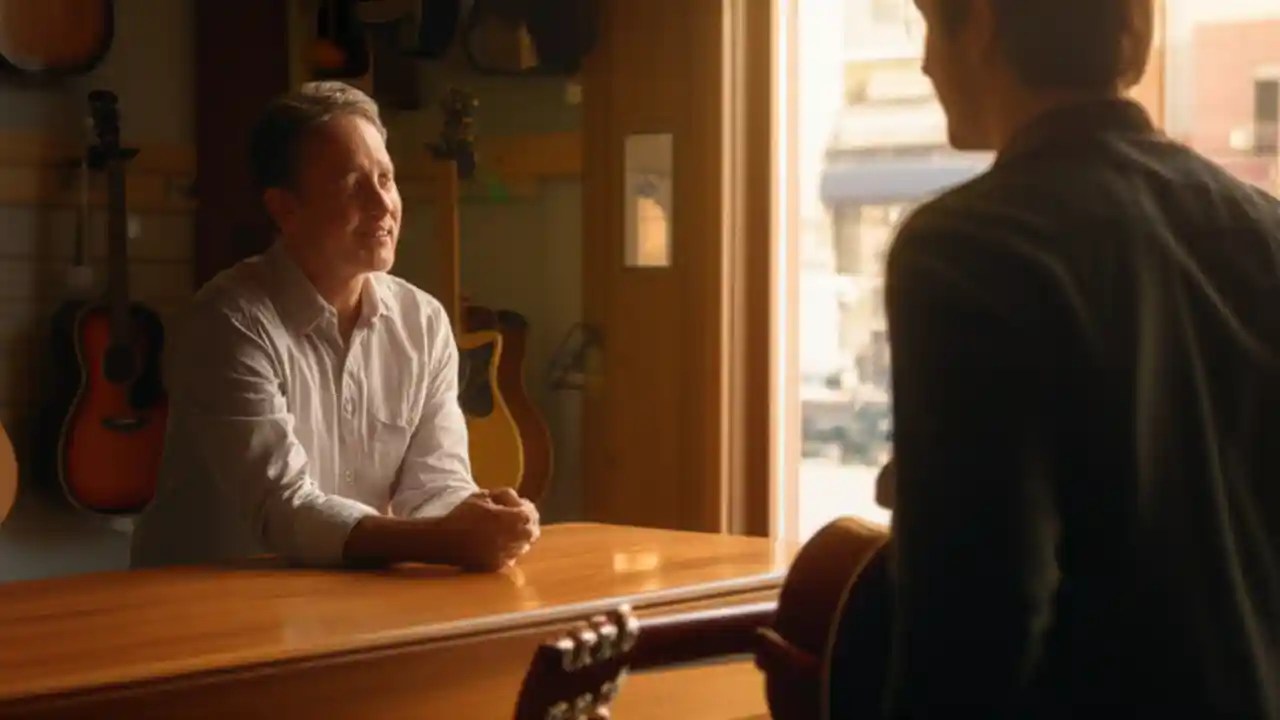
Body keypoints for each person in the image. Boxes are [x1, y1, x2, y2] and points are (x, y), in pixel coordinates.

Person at [872, 0, 1280, 716]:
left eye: (930, 24)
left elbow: (978, 622)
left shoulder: (970, 247)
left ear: (984, 23)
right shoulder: (1264, 231)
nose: (926, 62)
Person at [131, 82, 539, 571]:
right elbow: (282, 507)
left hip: (344, 592)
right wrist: (446, 541)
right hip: (204, 596)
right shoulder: (228, 322)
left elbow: (436, 486)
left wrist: (485, 518)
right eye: (352, 186)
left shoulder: (423, 322)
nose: (383, 204)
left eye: (386, 178)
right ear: (285, 208)